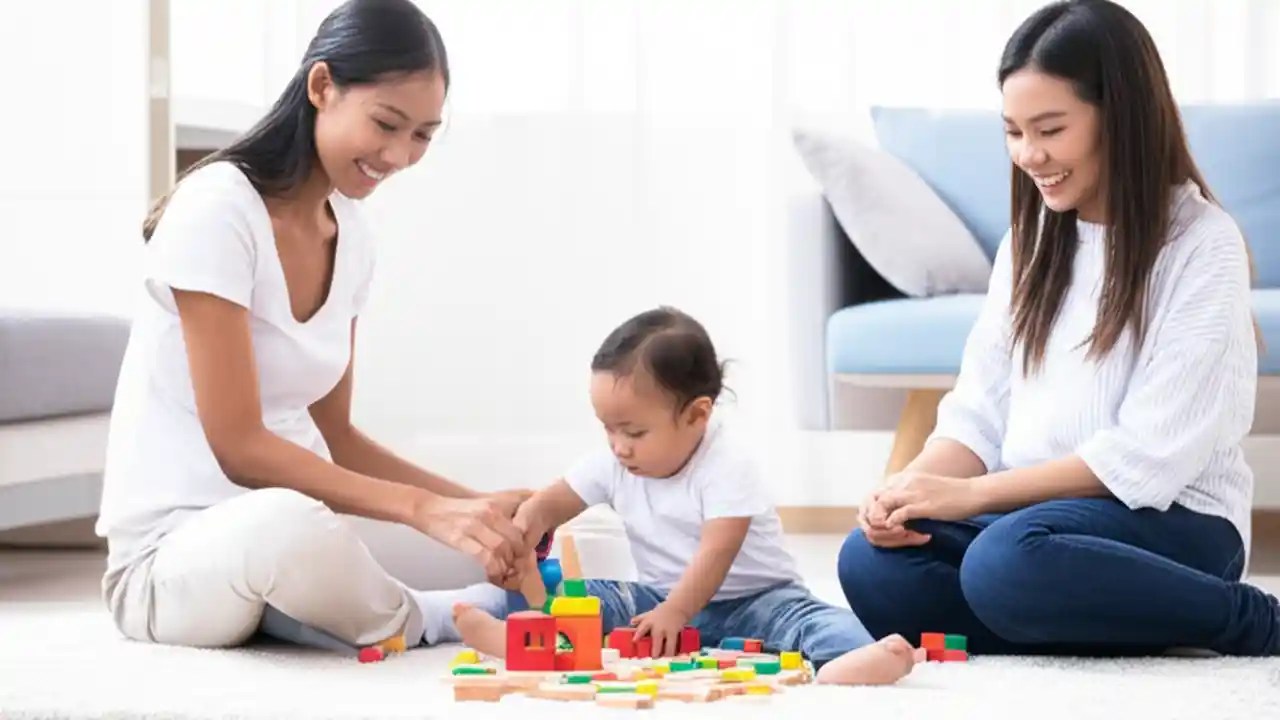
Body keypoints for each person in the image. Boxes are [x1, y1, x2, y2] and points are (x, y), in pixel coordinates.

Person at [836, 0, 1279, 657]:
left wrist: (968, 495)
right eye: (1014, 131)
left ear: (1119, 117)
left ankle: (1246, 618)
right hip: (1035, 526)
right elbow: (978, 414)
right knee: (869, 561)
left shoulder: (1199, 242)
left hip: (1173, 523)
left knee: (1006, 563)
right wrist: (907, 493)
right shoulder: (1033, 239)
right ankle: (1081, 622)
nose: (1029, 155)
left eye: (1049, 129)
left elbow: (1145, 460)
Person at [96, 0, 529, 651]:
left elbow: (340, 439)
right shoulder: (217, 210)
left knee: (564, 541)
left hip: (308, 528)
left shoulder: (349, 235)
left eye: (422, 135)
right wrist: (422, 510)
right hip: (177, 560)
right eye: (386, 123)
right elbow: (240, 447)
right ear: (322, 87)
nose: (399, 154)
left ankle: (335, 612)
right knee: (287, 530)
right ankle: (429, 618)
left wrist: (481, 508)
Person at [446, 307, 919, 686]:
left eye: (633, 431)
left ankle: (855, 660)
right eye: (608, 428)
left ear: (697, 415)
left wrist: (678, 611)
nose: (618, 445)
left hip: (758, 599)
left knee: (818, 622)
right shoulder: (612, 460)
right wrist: (522, 536)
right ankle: (526, 634)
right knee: (579, 597)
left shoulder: (727, 465)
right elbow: (550, 503)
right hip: (655, 598)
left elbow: (716, 553)